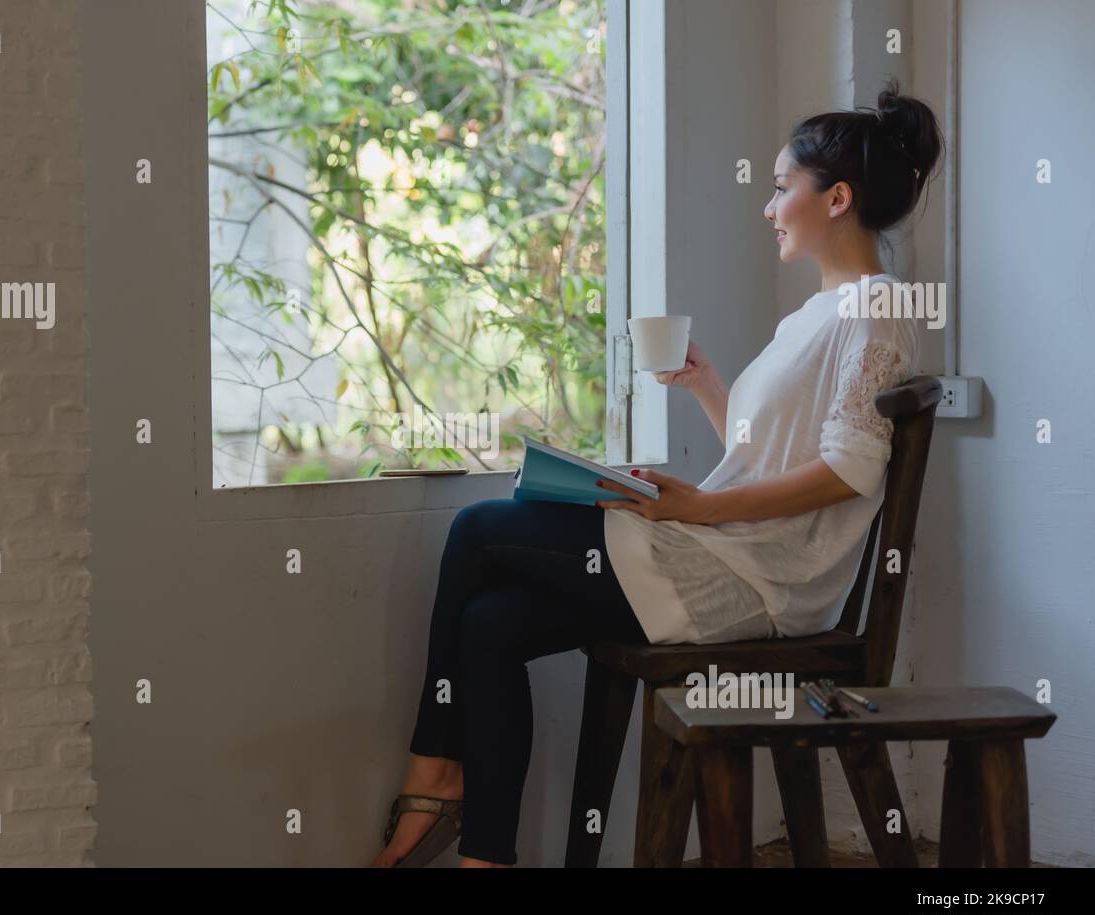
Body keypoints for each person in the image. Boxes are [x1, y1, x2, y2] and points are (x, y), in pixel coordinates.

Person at [372, 79, 944, 868]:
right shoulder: (816, 314)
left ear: (837, 197)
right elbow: (770, 455)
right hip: (727, 552)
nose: (770, 207)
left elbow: (848, 471)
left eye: (782, 189)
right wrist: (710, 388)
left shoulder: (875, 306)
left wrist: (700, 512)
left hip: (758, 583)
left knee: (476, 528)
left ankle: (431, 775)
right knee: (489, 625)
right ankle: (486, 857)